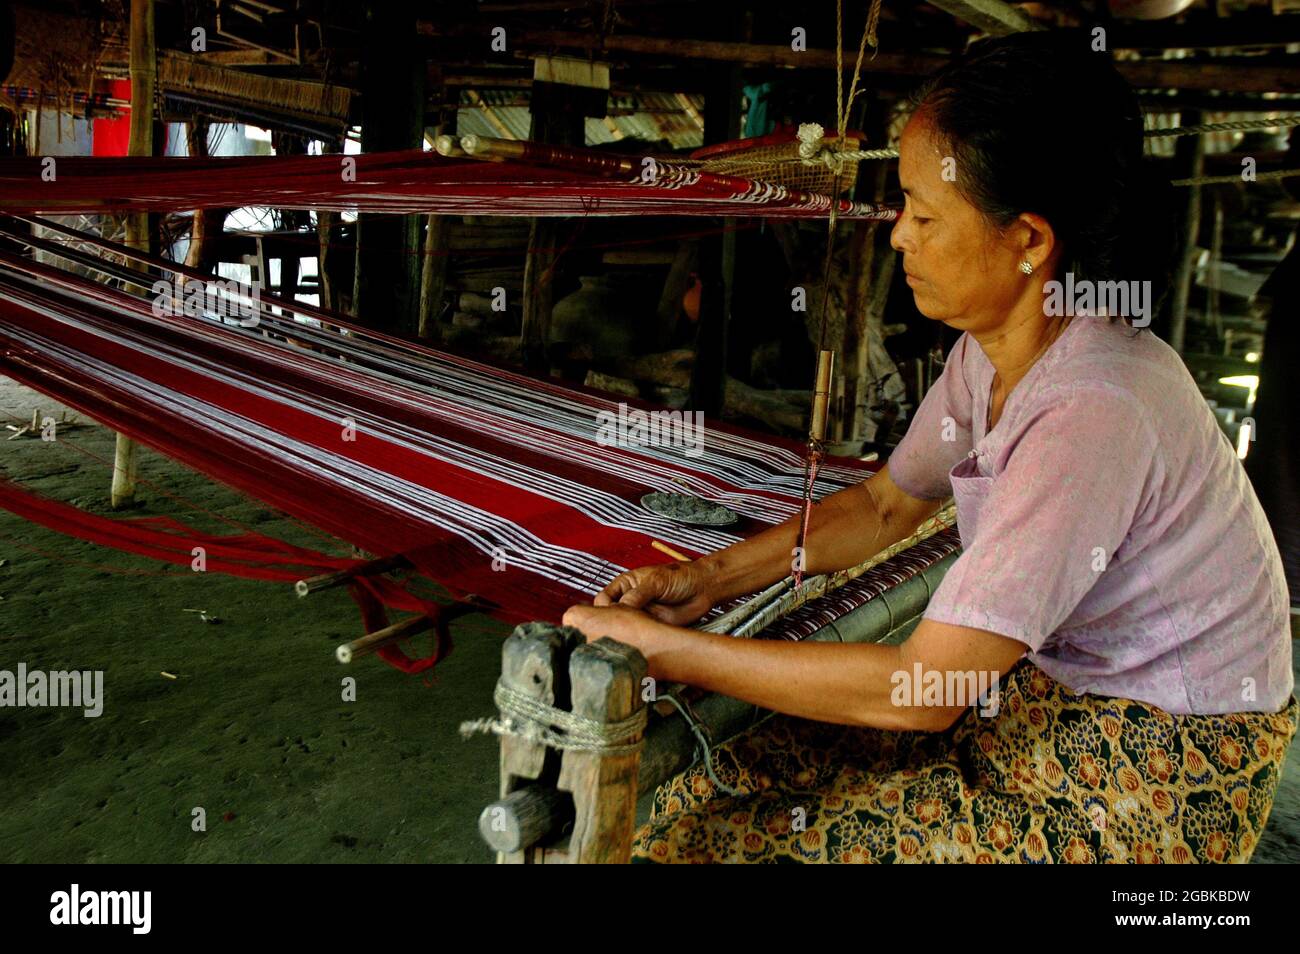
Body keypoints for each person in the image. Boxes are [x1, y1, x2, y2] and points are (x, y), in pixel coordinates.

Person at [563, 31, 1299, 864]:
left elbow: (922, 693)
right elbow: (885, 504)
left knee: (765, 845)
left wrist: (674, 653)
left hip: (1159, 766)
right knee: (717, 777)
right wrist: (707, 579)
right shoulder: (991, 349)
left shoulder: (1094, 411)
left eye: (923, 213)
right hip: (1055, 699)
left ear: (1029, 239)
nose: (897, 238)